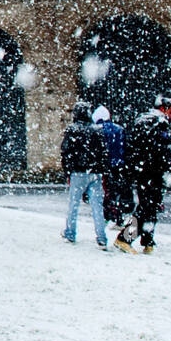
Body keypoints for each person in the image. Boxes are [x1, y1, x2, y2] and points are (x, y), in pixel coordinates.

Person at [115, 96, 171, 255]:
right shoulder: (158, 123)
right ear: (164, 108)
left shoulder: (143, 121)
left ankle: (148, 241)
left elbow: (136, 148)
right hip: (153, 172)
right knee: (147, 207)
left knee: (150, 206)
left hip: (143, 171)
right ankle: (125, 239)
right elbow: (160, 150)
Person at [60, 101, 109, 248]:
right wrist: (101, 169)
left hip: (78, 172)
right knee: (97, 206)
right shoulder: (97, 130)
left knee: (73, 204)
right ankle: (101, 237)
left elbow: (66, 152)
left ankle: (70, 233)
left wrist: (67, 171)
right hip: (95, 172)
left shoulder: (72, 130)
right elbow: (103, 153)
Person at [93, 106, 128, 225]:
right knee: (116, 190)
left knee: (107, 191)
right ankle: (118, 215)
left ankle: (109, 215)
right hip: (118, 165)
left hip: (105, 166)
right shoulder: (119, 129)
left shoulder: (97, 130)